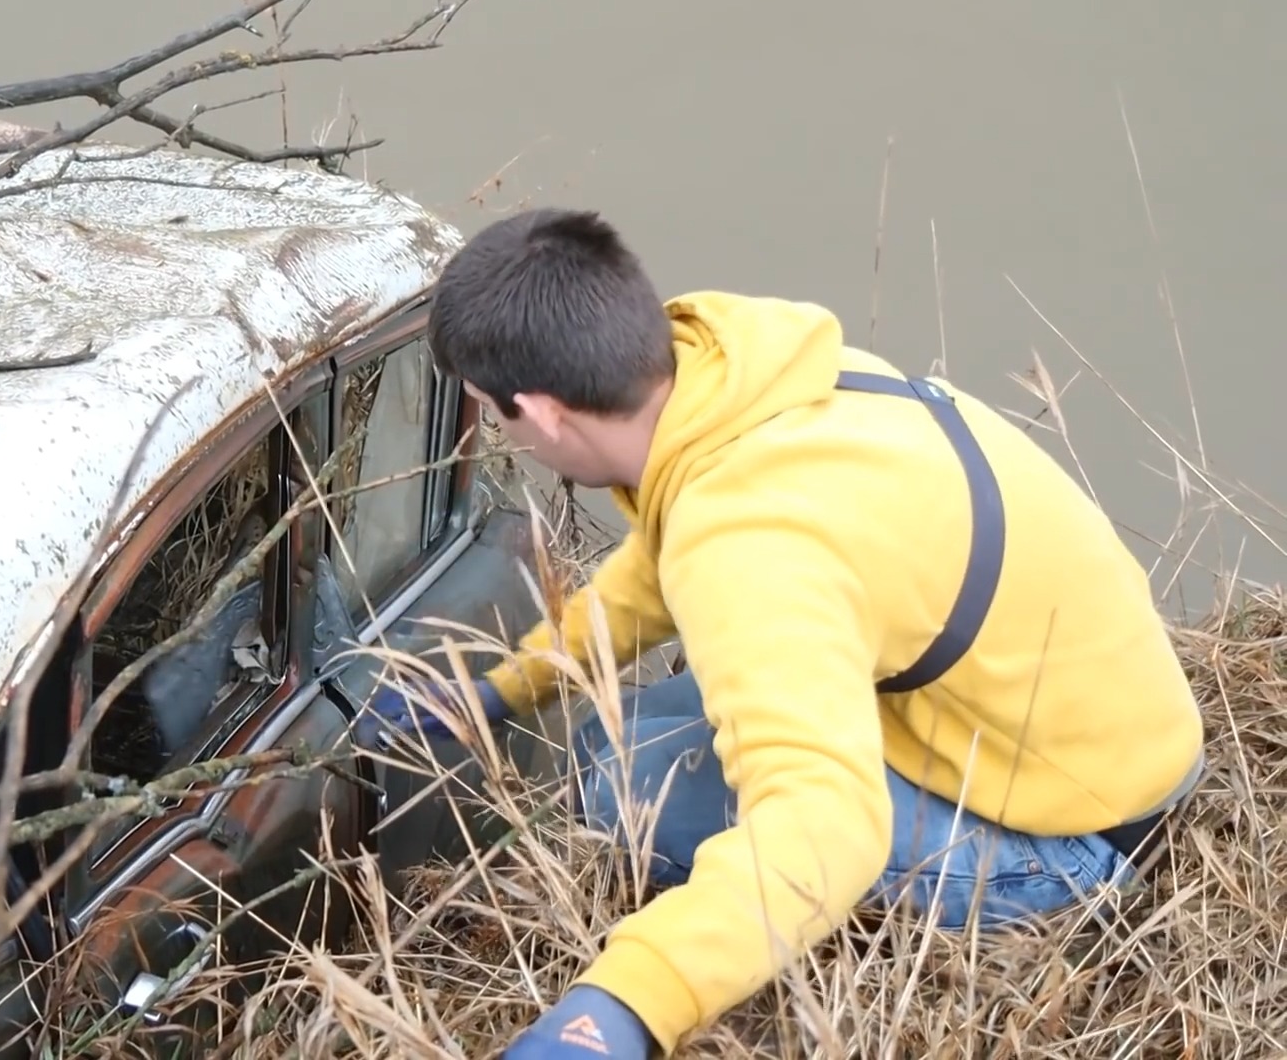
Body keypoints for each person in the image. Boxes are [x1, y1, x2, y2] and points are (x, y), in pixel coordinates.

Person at [355, 208, 1205, 1058]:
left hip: (1075, 837)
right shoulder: (749, 383)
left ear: (539, 415)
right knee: (615, 742)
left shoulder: (749, 544)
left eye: (492, 416)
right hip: (1097, 730)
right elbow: (662, 562)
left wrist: (621, 1011)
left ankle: (1035, 890)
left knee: (618, 786)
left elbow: (828, 828)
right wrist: (508, 685)